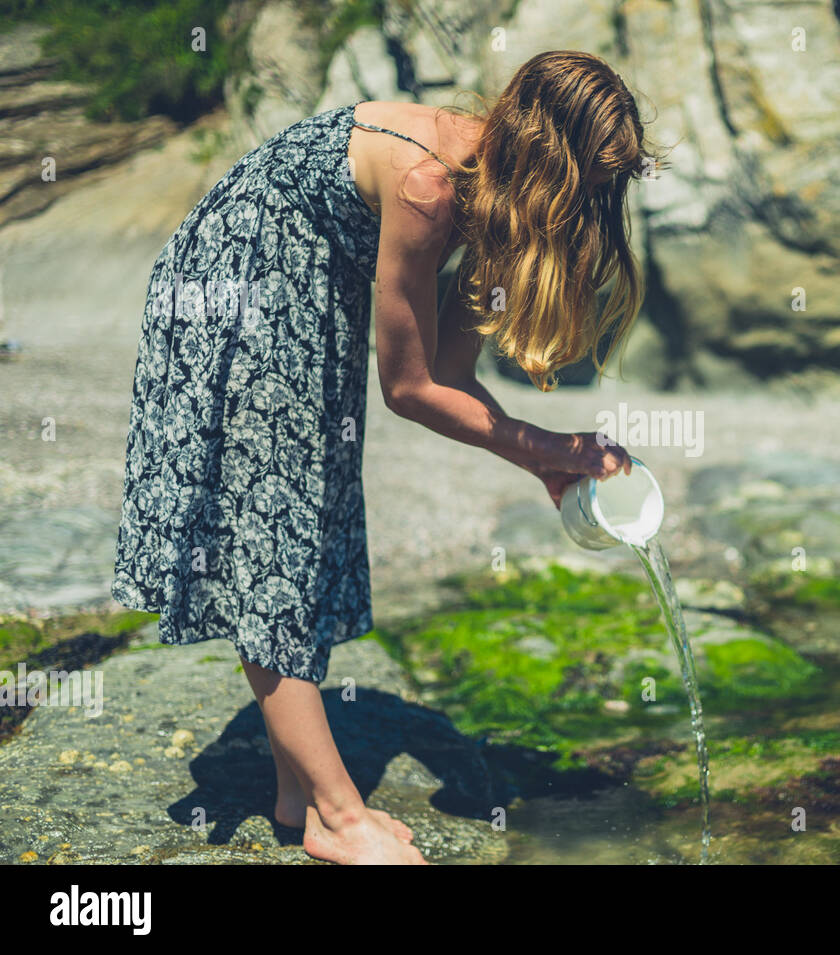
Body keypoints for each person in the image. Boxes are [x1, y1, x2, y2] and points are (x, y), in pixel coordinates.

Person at [111, 50, 661, 864]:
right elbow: (407, 388)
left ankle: (298, 791)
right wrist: (546, 445)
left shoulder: (494, 193)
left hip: (310, 287)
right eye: (585, 188)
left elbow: (450, 378)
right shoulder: (429, 184)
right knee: (277, 538)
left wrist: (545, 458)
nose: (588, 211)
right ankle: (336, 814)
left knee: (316, 510)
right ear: (548, 163)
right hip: (240, 277)